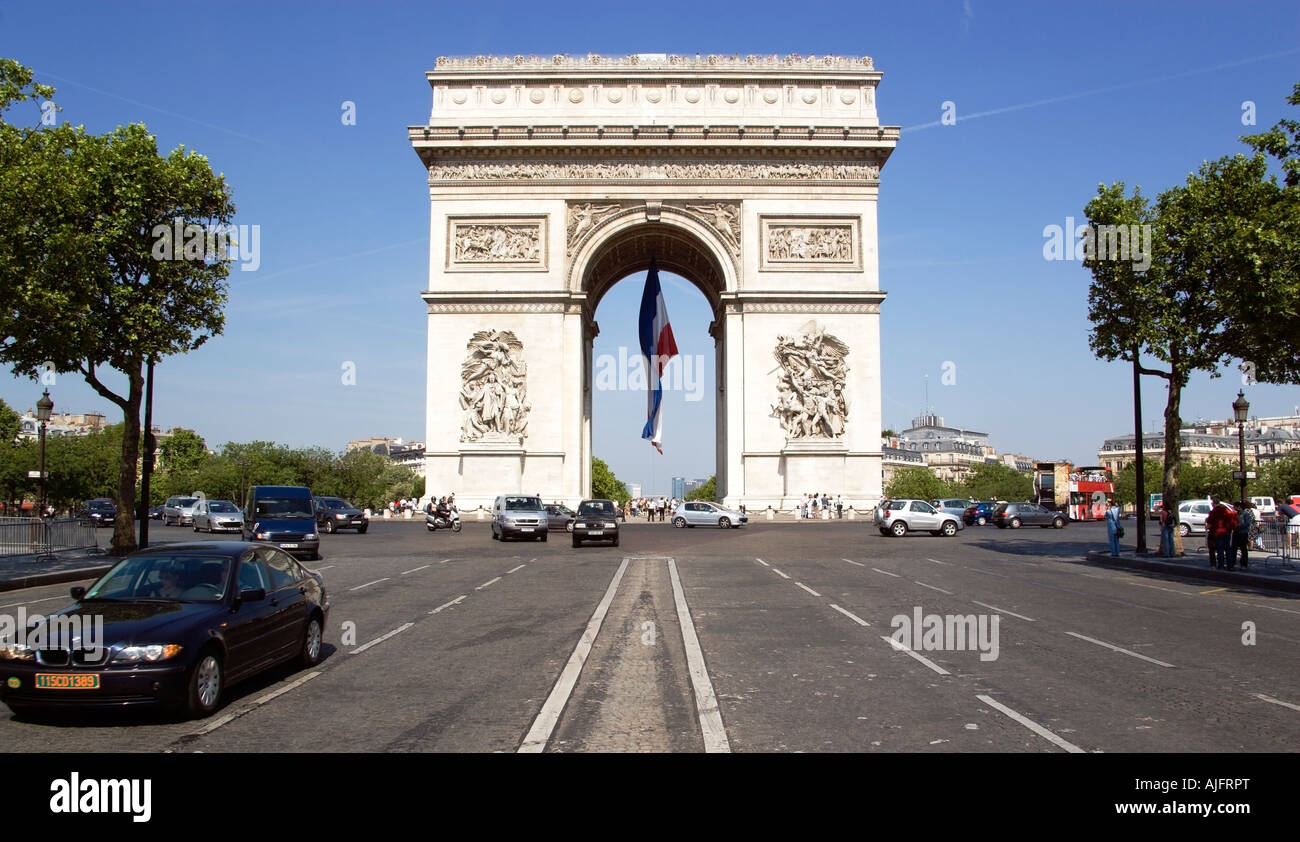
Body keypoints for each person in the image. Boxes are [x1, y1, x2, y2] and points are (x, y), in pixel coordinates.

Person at [1204, 497, 1238, 570]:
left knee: (1220, 549)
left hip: (1218, 531)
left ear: (1213, 503)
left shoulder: (1215, 511)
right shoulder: (1227, 510)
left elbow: (1210, 520)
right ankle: (1230, 565)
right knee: (1227, 549)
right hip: (1227, 531)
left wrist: (1207, 526)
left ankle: (1221, 565)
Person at [1232, 501, 1255, 570]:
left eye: (1235, 507)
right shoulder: (1236, 514)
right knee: (1233, 549)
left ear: (1239, 507)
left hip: (1243, 533)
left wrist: (1239, 526)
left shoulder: (1245, 514)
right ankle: (1232, 563)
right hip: (1236, 532)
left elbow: (1247, 524)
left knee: (1243, 549)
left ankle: (1244, 565)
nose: (1234, 508)